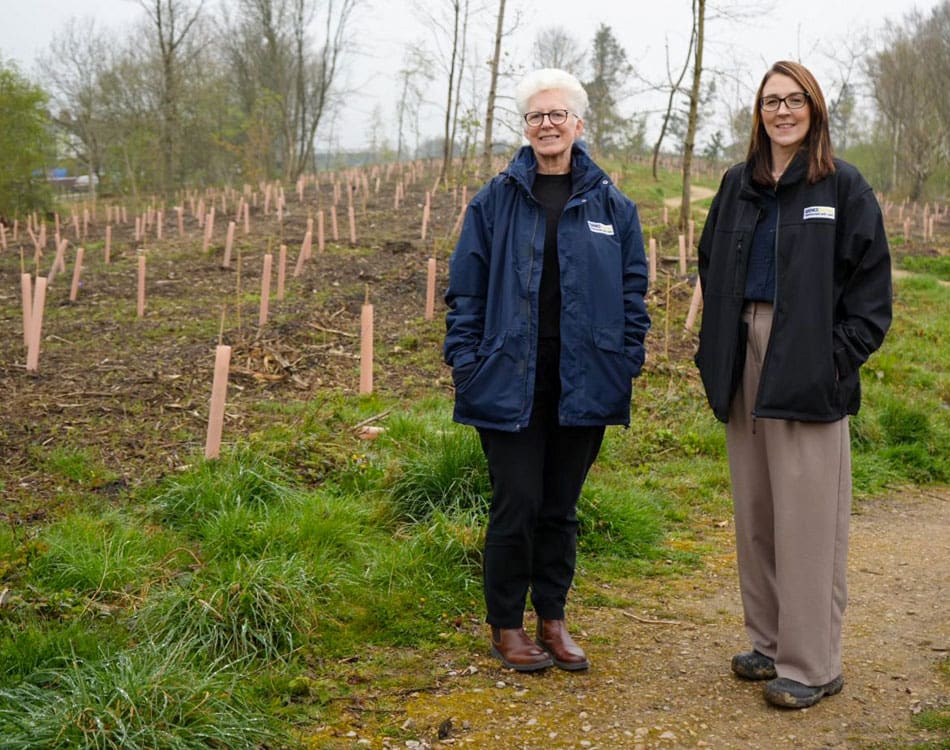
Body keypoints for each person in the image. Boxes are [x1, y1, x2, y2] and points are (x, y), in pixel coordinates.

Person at [695, 61, 892, 708]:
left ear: (815, 108)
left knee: (807, 520)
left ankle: (811, 664)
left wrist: (836, 359)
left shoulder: (841, 187)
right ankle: (770, 642)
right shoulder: (736, 185)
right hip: (741, 359)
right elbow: (709, 262)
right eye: (771, 101)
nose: (782, 111)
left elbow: (870, 293)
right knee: (755, 512)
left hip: (807, 362)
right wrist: (713, 348)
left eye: (794, 100)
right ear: (758, 112)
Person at [444, 68, 650, 672]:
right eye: (536, 116)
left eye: (558, 114)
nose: (548, 125)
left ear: (579, 125)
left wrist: (626, 357)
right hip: (508, 378)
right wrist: (467, 364)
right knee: (517, 503)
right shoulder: (494, 202)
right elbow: (466, 291)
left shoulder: (613, 206)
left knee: (561, 507)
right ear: (526, 128)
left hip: (584, 381)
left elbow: (633, 290)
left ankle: (552, 621)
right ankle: (507, 627)